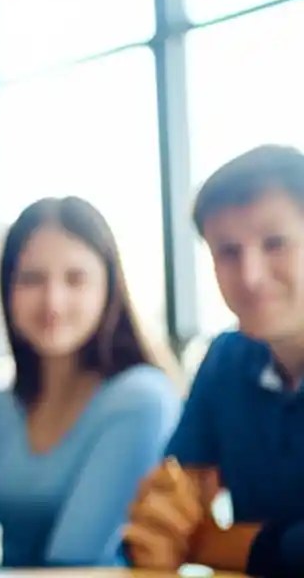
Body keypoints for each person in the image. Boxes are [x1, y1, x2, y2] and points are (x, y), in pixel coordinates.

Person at [0, 197, 180, 568]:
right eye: (31, 279)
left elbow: (76, 561)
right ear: (7, 290)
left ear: (109, 288)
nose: (52, 301)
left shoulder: (142, 399)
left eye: (76, 279)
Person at [125, 144, 304, 578]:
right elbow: (168, 512)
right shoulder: (226, 359)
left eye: (275, 243)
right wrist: (165, 527)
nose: (250, 275)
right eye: (227, 251)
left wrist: (208, 542)